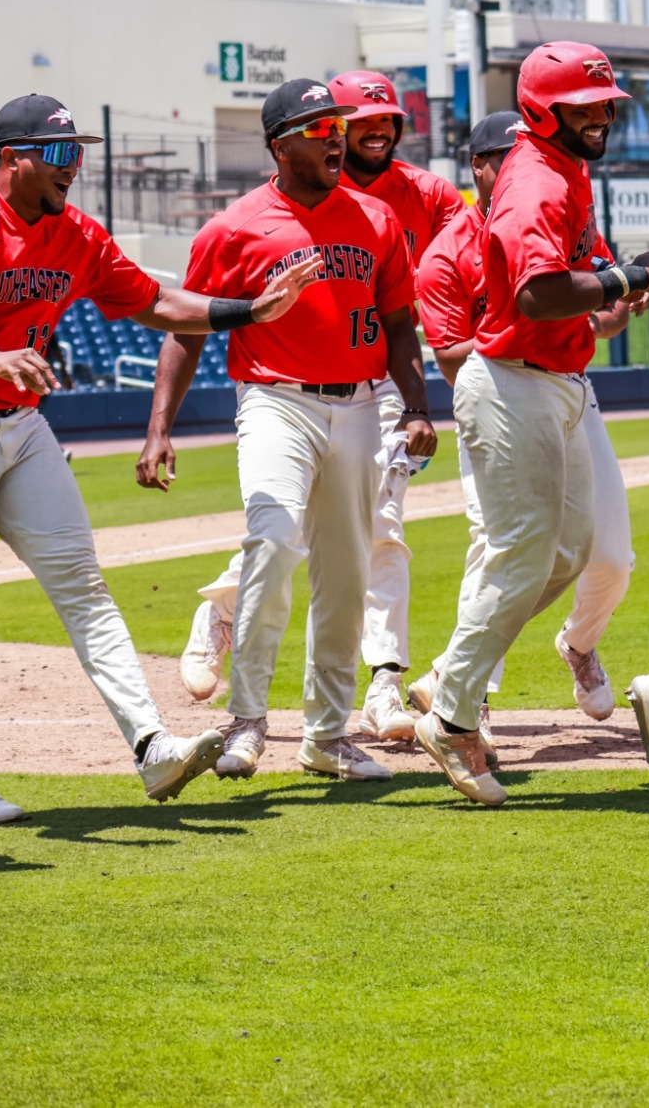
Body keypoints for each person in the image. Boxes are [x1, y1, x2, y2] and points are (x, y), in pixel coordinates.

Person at [0, 93, 322, 822]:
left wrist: (247, 310)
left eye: (78, 152)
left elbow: (153, 301)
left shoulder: (76, 234)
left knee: (83, 585)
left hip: (22, 428)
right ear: (9, 159)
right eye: (56, 153)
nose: (72, 167)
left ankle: (151, 745)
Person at [137, 79, 435, 784]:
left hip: (362, 404)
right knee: (272, 540)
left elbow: (399, 324)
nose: (334, 136)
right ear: (279, 145)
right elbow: (185, 329)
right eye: (316, 127)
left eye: (335, 123)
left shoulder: (373, 219)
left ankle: (327, 735)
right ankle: (247, 721)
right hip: (276, 400)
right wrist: (159, 430)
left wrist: (419, 406)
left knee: (348, 571)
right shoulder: (233, 227)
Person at [413, 42, 649, 807]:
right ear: (541, 110)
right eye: (583, 107)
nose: (600, 117)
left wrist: (616, 292)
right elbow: (536, 295)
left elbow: (577, 290)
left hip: (556, 381)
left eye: (605, 105)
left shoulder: (568, 168)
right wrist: (624, 276)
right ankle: (454, 710)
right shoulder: (533, 181)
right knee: (523, 555)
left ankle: (448, 688)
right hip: (512, 381)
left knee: (565, 557)